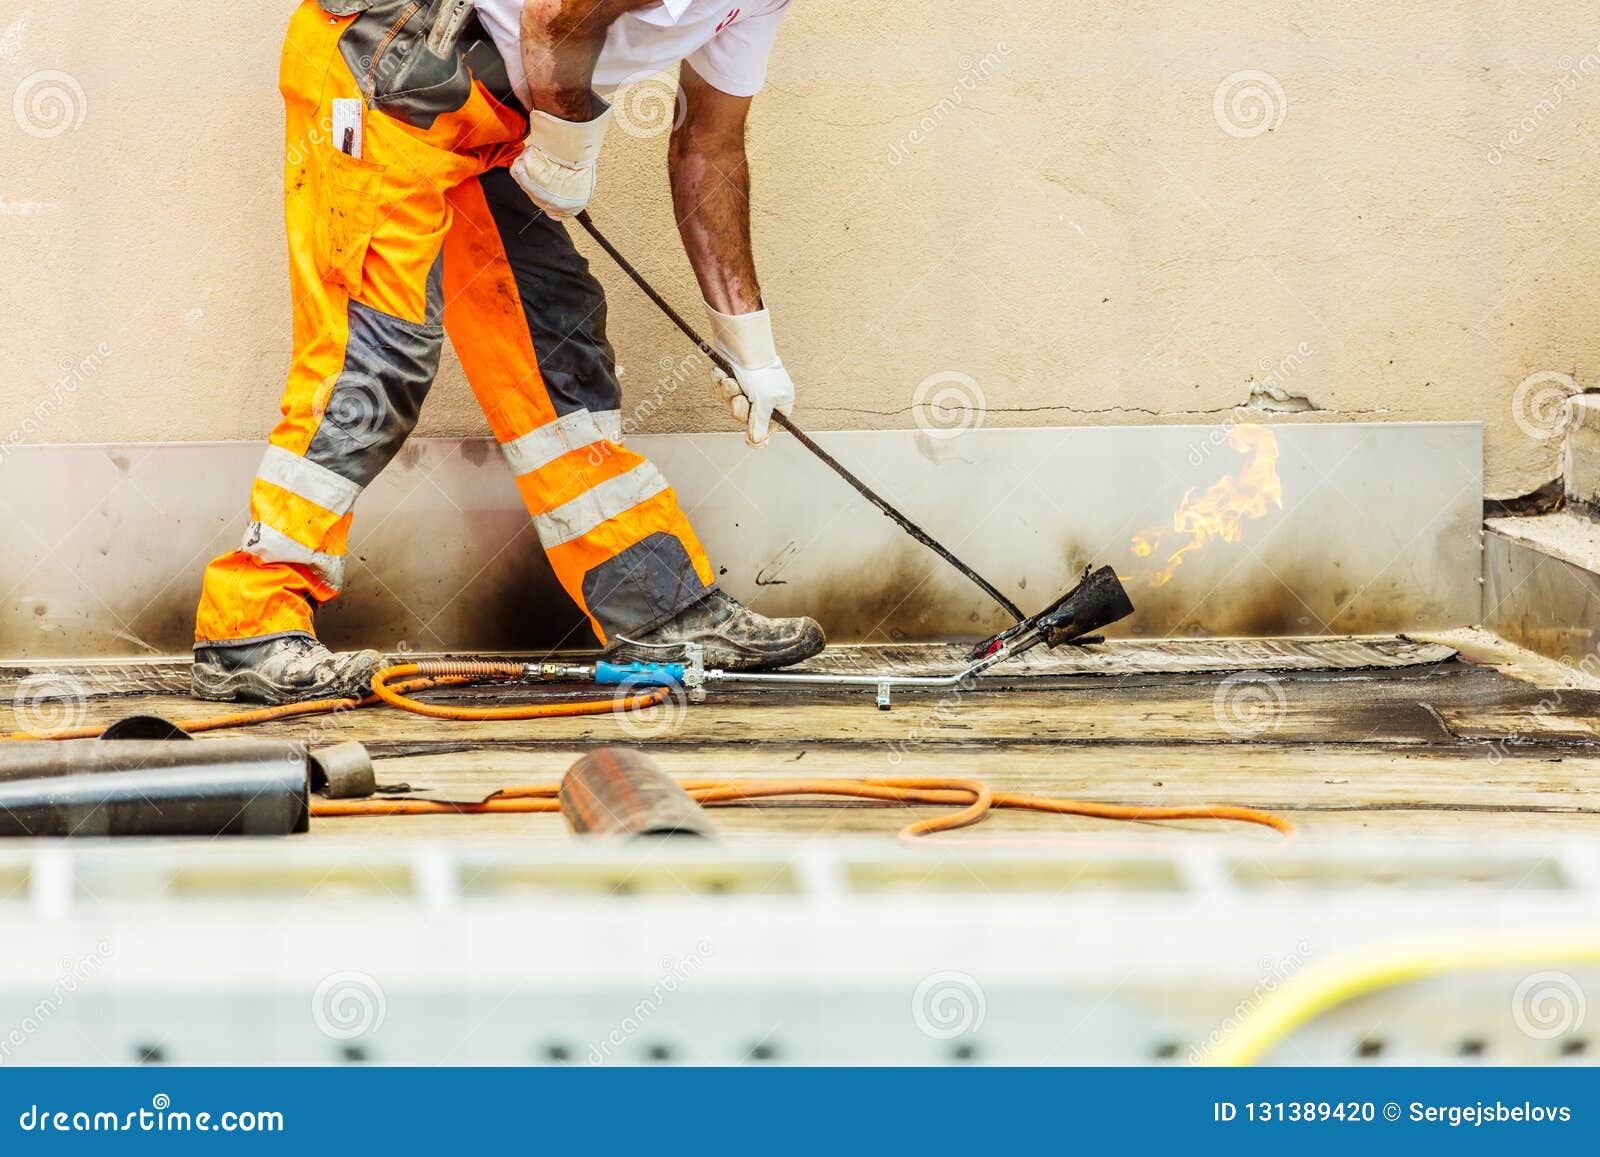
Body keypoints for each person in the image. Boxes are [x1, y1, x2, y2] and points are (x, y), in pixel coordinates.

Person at [192, 0, 821, 704]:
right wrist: (566, 149)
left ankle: (656, 607)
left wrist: (747, 342)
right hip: (387, 68)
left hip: (491, 113)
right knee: (373, 359)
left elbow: (709, 146)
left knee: (554, 344)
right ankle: (248, 626)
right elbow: (556, 14)